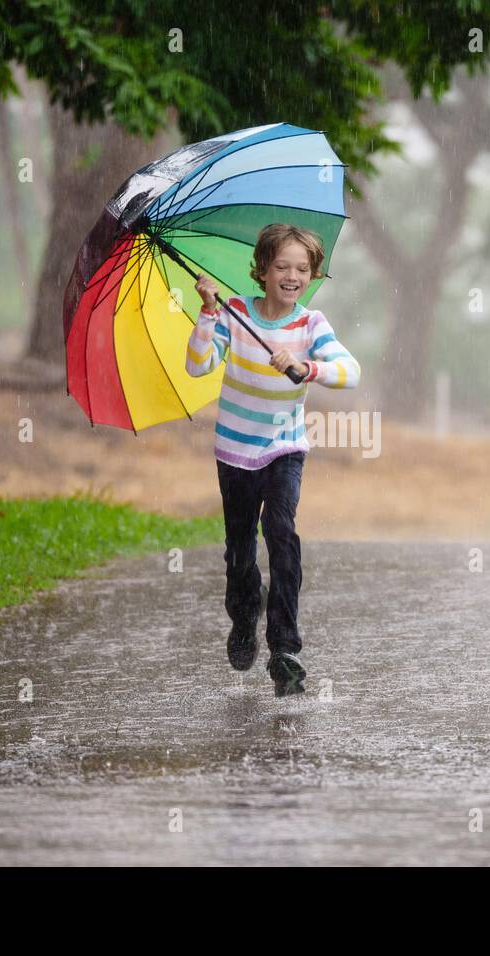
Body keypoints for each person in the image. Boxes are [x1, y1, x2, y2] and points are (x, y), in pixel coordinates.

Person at [185, 224, 361, 696]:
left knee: (281, 535)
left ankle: (284, 650)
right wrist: (207, 311)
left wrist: (307, 368)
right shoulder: (234, 312)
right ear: (262, 270)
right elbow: (198, 365)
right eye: (281, 266)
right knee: (239, 551)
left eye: (302, 268)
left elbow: (350, 371)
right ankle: (245, 615)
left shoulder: (311, 325)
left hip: (285, 449)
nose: (292, 276)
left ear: (313, 274)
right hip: (235, 453)